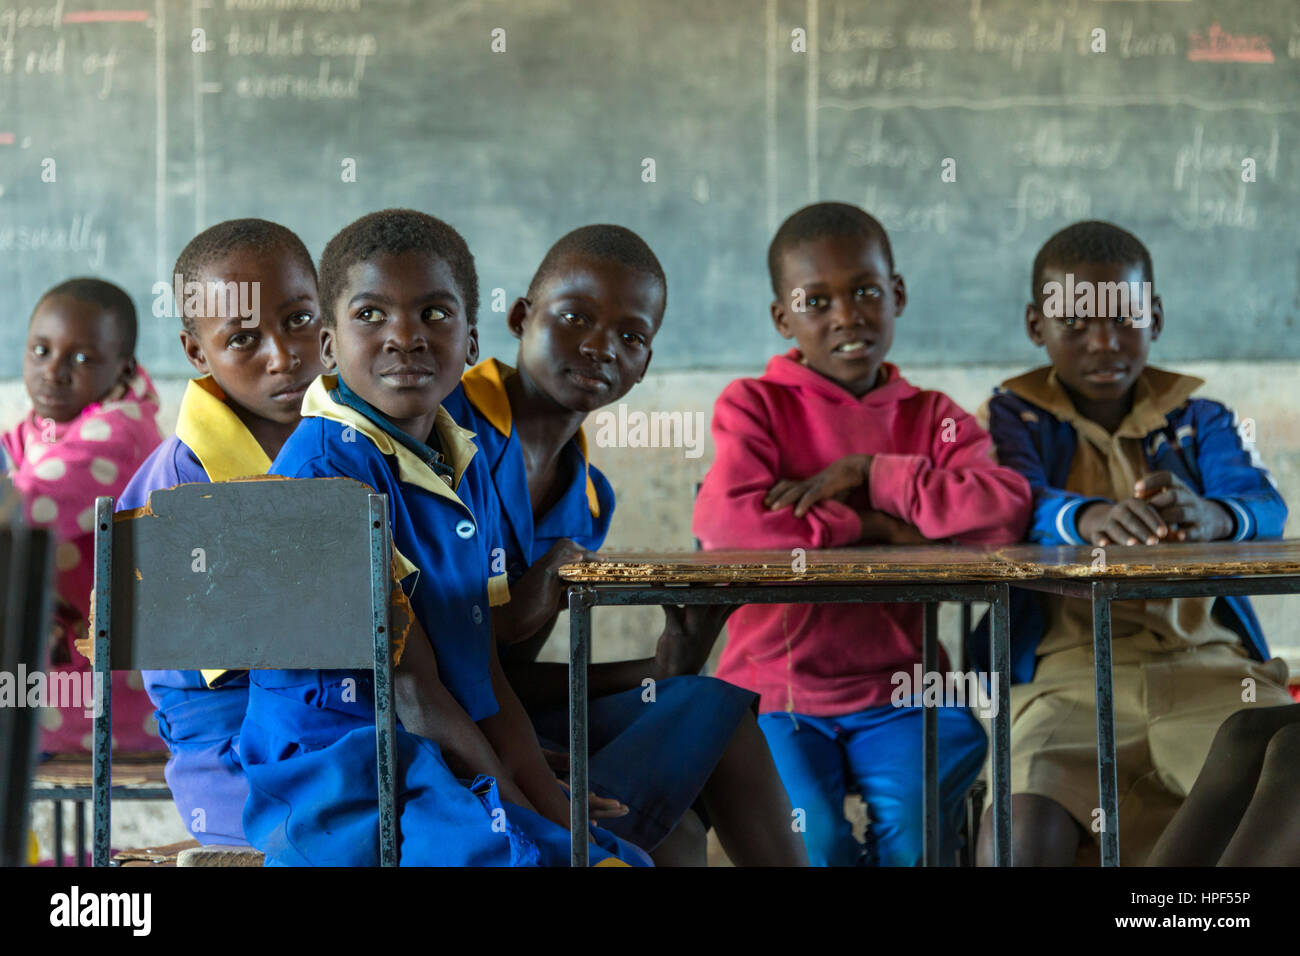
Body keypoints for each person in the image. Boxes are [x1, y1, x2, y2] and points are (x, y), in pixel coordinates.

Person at [694, 201, 1032, 866]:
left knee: (917, 835)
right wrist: (870, 526)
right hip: (775, 694)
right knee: (811, 841)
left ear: (897, 295)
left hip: (903, 692)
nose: (846, 316)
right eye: (816, 301)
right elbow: (728, 525)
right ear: (782, 319)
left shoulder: (932, 416)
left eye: (866, 292)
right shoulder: (756, 404)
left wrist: (874, 476)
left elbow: (1003, 509)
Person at [973, 219, 1294, 866]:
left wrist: (1214, 517)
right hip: (1065, 677)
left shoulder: (1200, 421)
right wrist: (1083, 518)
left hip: (1208, 665)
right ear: (1037, 327)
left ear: (1157, 316)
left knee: (1280, 771)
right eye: (1076, 325)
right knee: (1020, 821)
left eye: (1125, 320)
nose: (1104, 343)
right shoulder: (1013, 417)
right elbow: (1008, 502)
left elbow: (1266, 507)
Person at [117, 219, 326, 845]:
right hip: (235, 763)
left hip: (340, 730)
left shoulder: (346, 435)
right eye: (243, 338)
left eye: (298, 320)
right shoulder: (182, 488)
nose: (283, 356)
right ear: (196, 352)